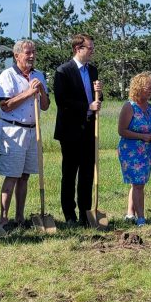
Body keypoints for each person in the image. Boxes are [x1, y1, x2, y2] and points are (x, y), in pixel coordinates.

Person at [0, 39, 50, 229]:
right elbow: (6, 106)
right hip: (13, 129)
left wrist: (41, 90)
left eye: (33, 52)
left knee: (25, 175)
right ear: (17, 55)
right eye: (28, 53)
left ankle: (19, 217)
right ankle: (3, 218)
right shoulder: (7, 76)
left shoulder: (39, 75)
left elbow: (45, 106)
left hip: (32, 130)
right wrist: (28, 92)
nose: (32, 56)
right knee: (12, 174)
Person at [53, 34, 102, 225]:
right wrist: (87, 107)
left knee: (87, 173)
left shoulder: (93, 71)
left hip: (89, 129)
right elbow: (62, 101)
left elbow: (96, 100)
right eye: (89, 48)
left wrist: (99, 93)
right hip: (71, 131)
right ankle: (69, 215)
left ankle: (85, 212)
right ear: (77, 49)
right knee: (70, 173)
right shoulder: (63, 71)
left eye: (92, 48)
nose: (92, 51)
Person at [117, 72, 151, 226]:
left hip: (146, 151)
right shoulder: (129, 107)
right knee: (138, 184)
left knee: (138, 183)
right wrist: (142, 136)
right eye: (148, 87)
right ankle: (141, 218)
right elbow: (122, 130)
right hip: (130, 151)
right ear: (139, 88)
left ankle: (129, 214)